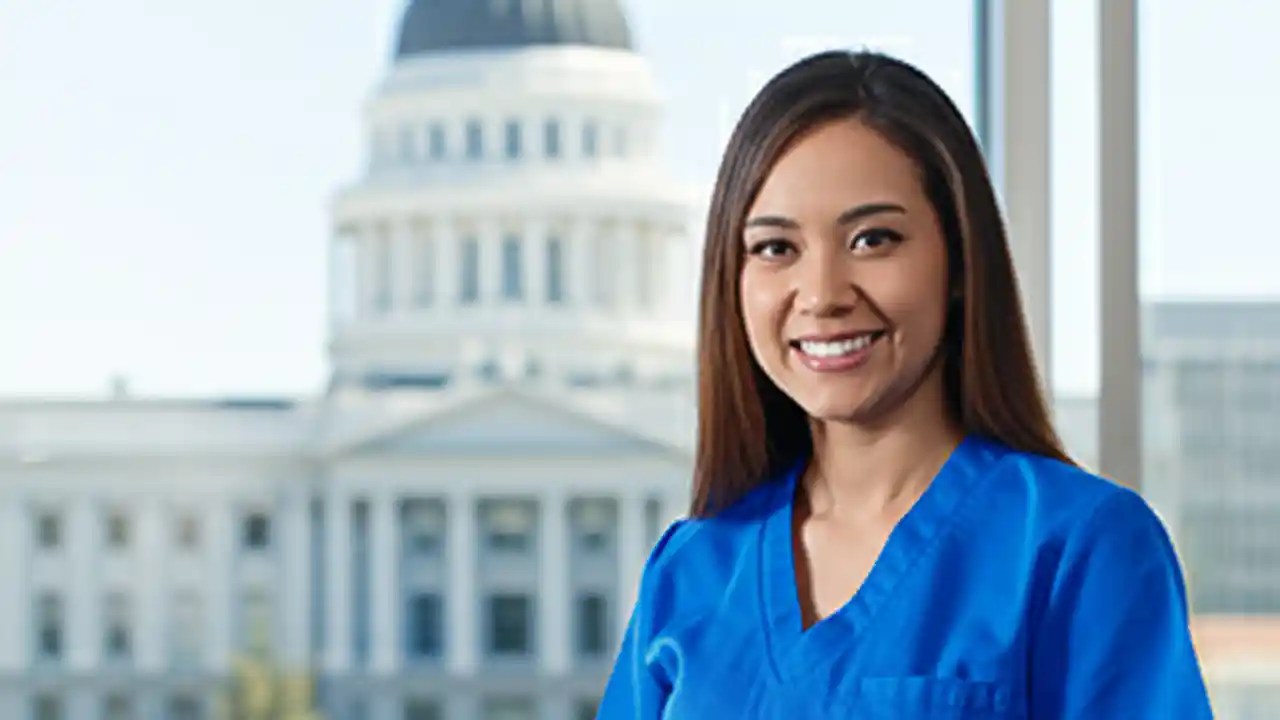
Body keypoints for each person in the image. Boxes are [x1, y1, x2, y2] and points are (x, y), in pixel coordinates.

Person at [597, 50, 1212, 719]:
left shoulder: (1077, 547)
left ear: (957, 262)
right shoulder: (691, 571)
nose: (823, 294)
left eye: (872, 239)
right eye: (776, 249)